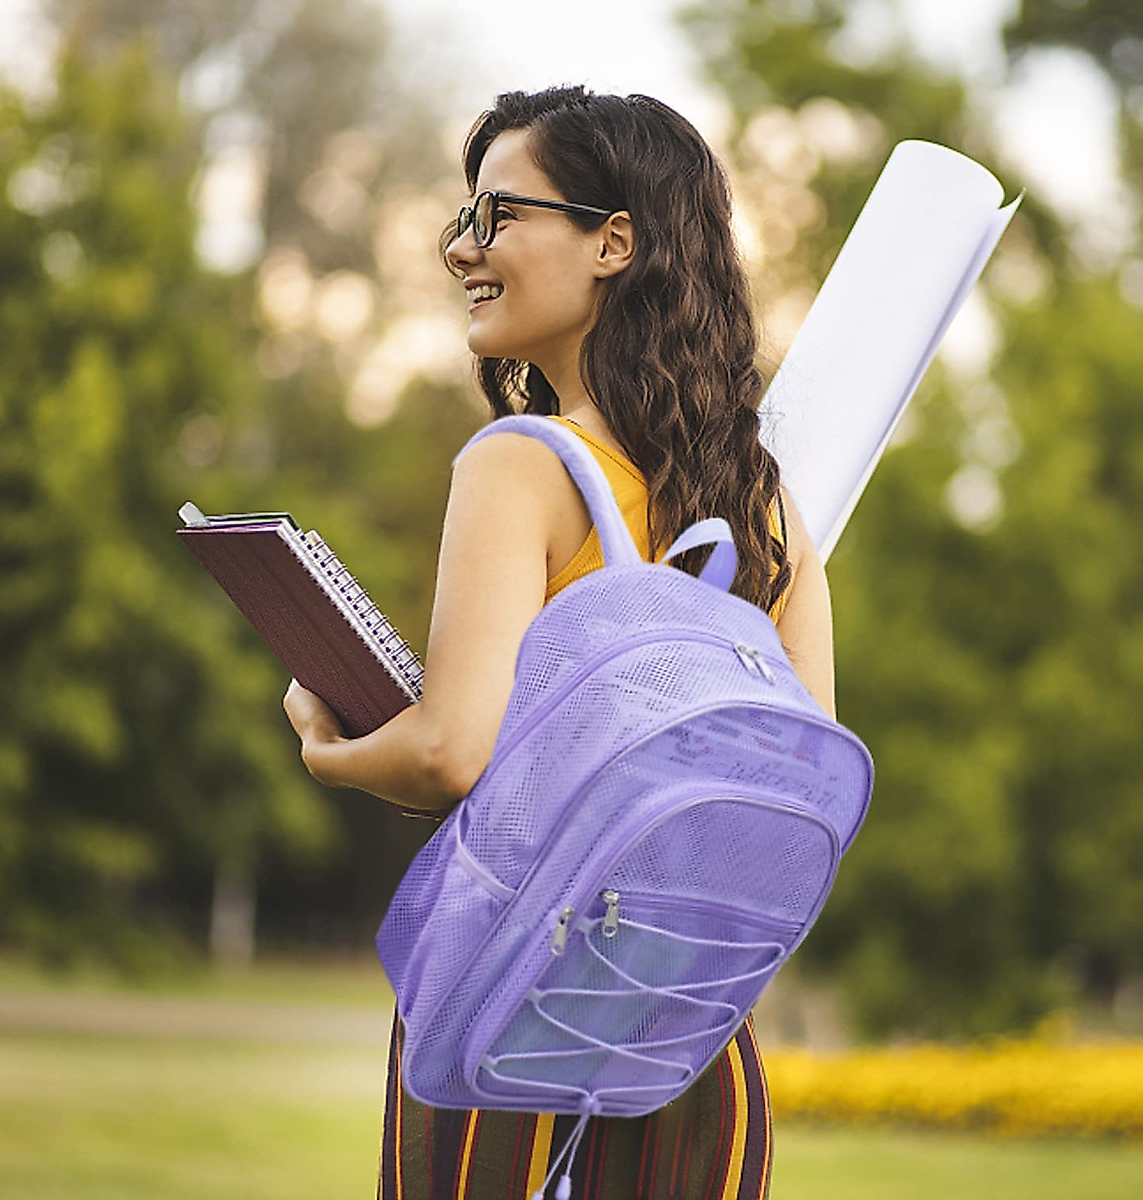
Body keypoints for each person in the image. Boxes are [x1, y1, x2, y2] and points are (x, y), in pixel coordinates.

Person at [283, 86, 835, 1200]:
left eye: (497, 215)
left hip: (514, 1028)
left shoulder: (520, 463)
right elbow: (801, 798)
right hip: (696, 1051)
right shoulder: (769, 508)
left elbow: (449, 753)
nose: (459, 249)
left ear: (612, 242)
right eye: (463, 217)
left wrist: (331, 747)